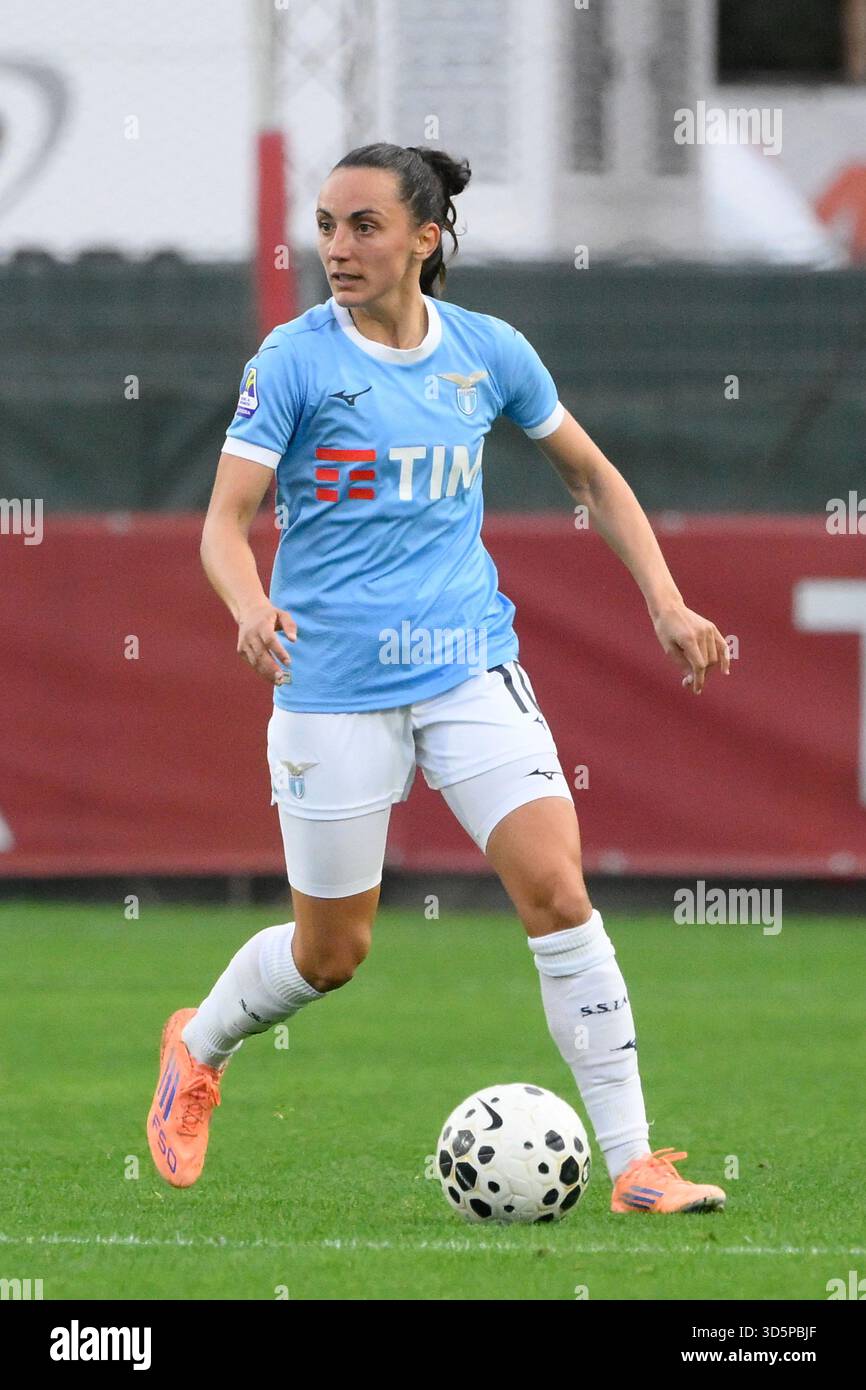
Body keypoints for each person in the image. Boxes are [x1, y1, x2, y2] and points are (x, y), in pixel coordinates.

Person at [147, 142, 730, 1214]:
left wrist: (663, 597)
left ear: (425, 237)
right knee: (332, 954)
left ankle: (635, 1162)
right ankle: (202, 1043)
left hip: (469, 669)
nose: (336, 246)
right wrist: (247, 605)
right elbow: (224, 526)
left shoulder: (489, 351)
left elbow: (589, 475)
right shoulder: (291, 360)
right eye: (324, 224)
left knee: (557, 893)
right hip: (330, 686)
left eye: (362, 225)